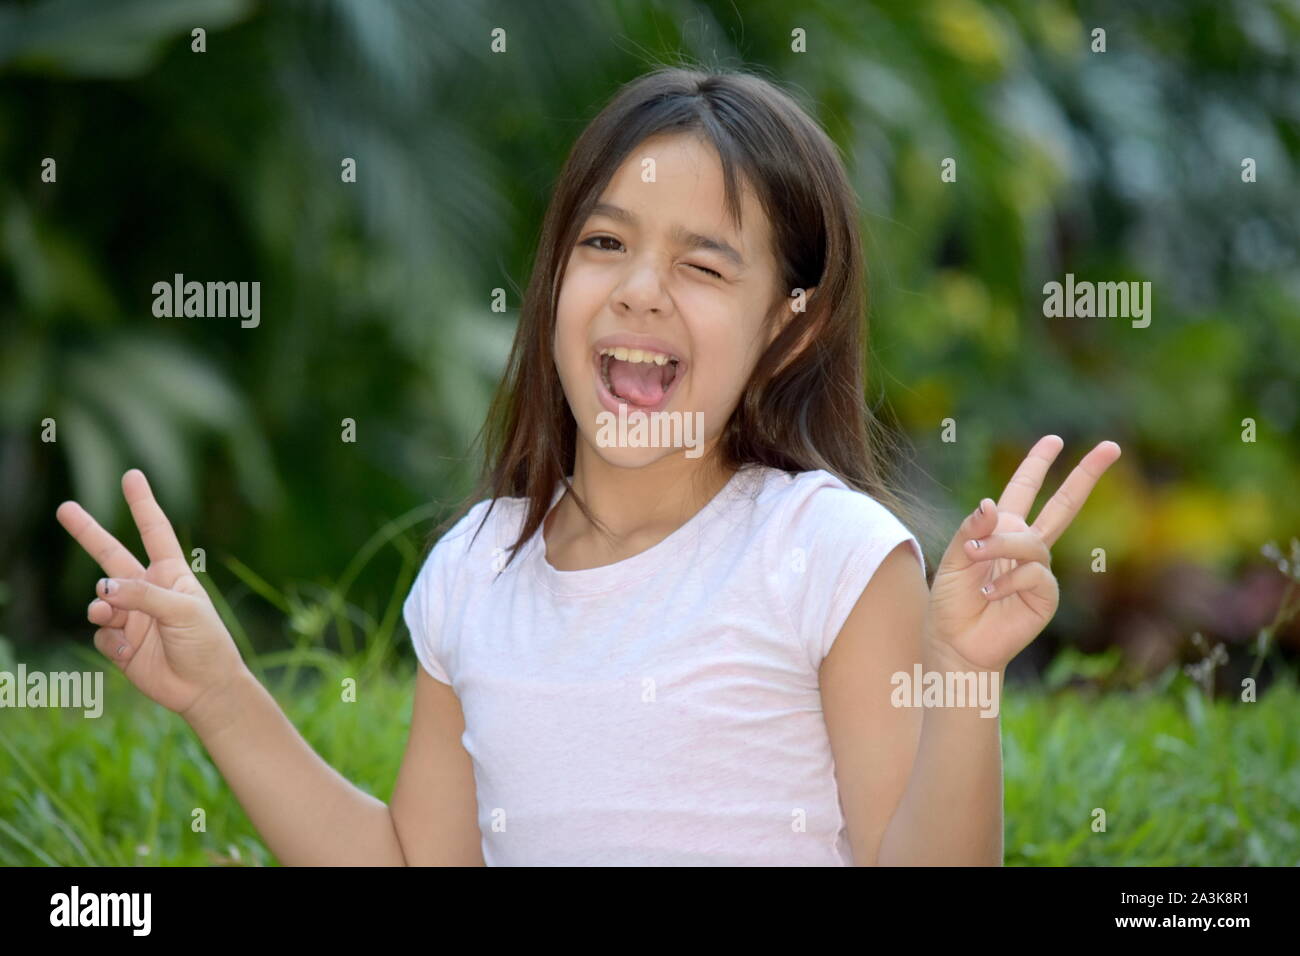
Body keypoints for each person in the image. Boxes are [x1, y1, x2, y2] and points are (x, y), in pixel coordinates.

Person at [55, 66, 1120, 866]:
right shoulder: (475, 567)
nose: (639, 290)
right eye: (605, 243)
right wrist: (221, 693)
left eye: (703, 263)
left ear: (791, 328)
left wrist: (963, 679)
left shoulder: (824, 554)